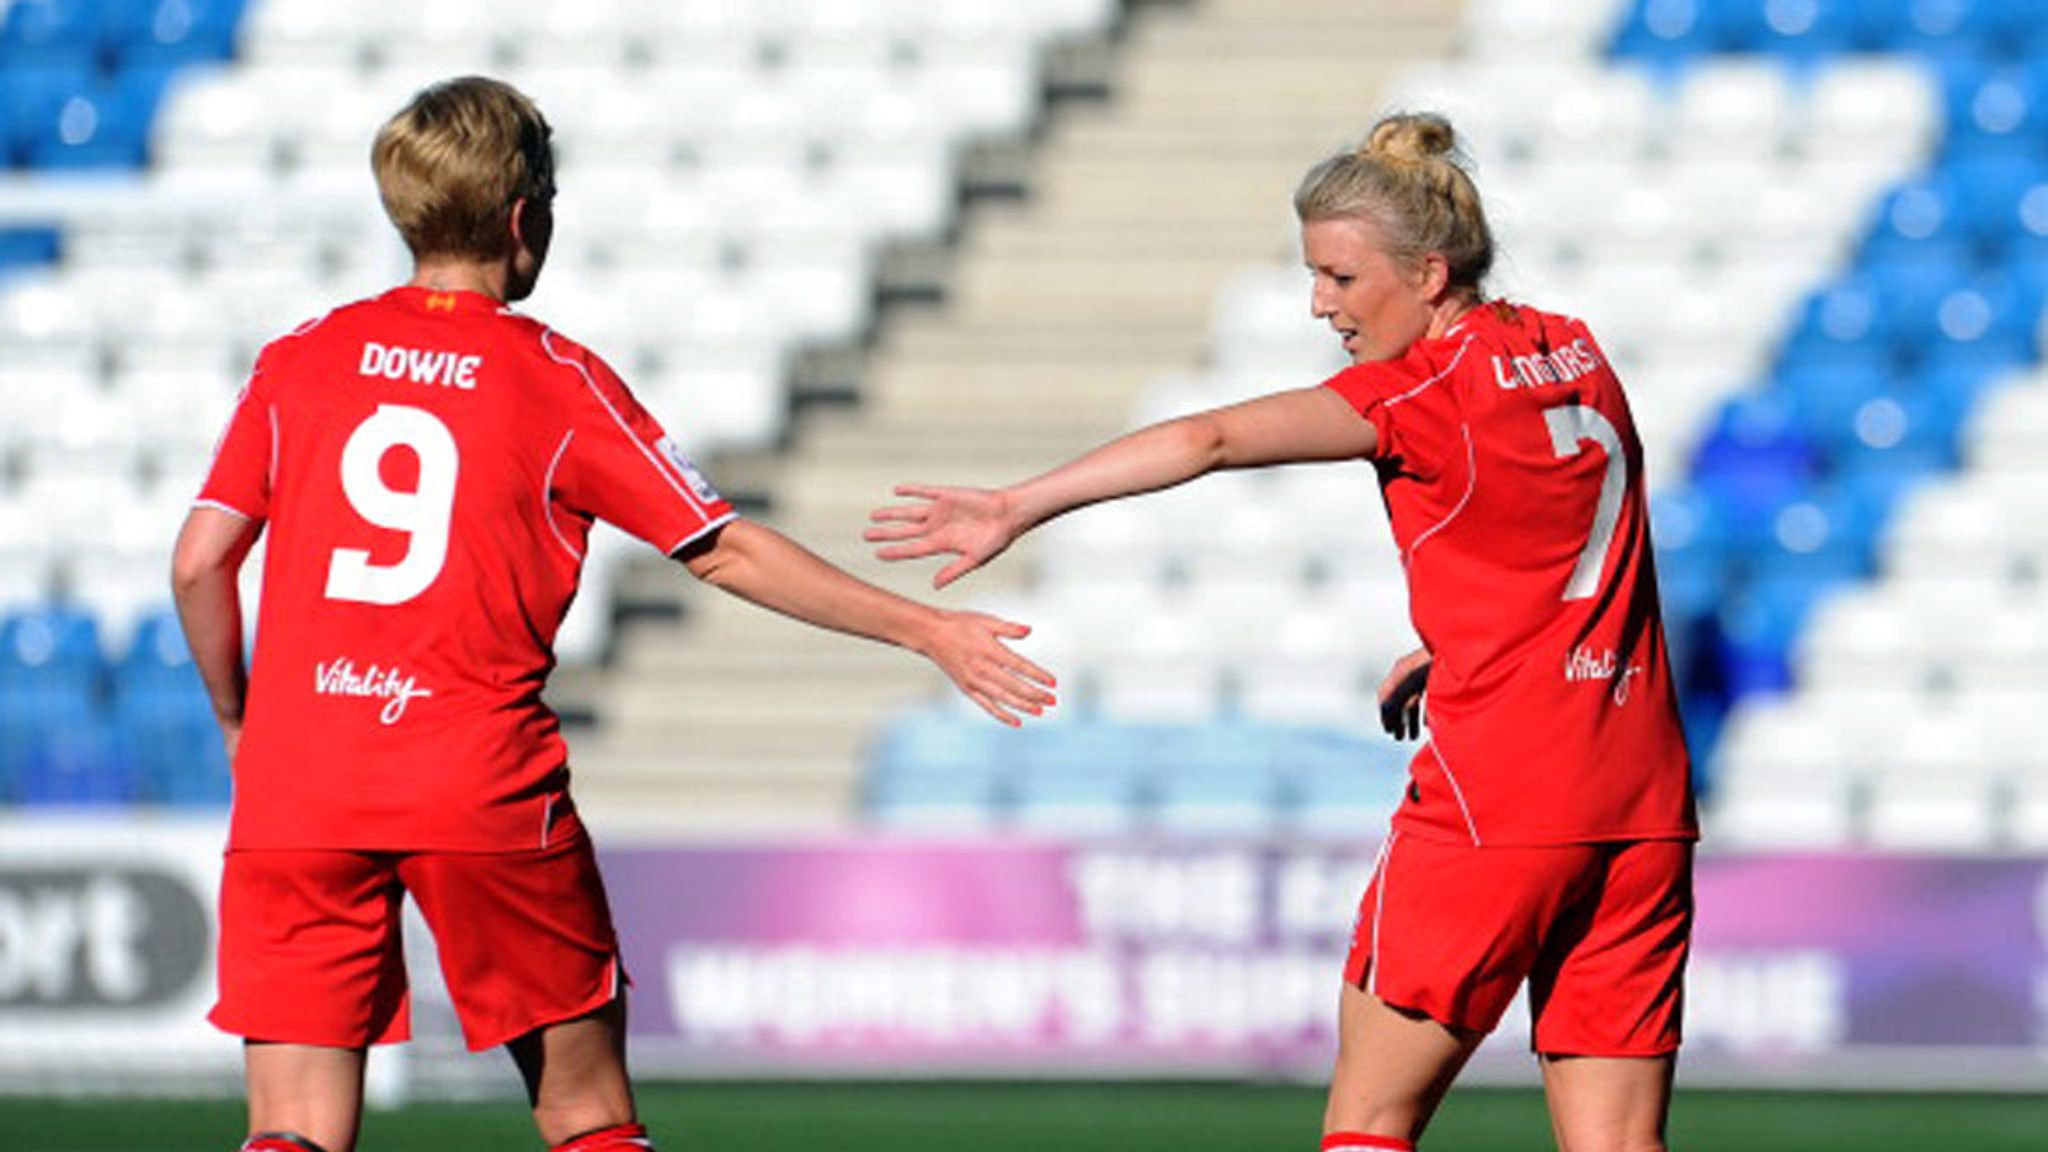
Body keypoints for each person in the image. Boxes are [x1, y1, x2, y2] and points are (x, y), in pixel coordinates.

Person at [170, 76, 1055, 1152]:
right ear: (520, 218)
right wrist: (925, 628)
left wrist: (238, 722)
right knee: (586, 1114)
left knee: (294, 1129)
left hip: (301, 779)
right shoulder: (554, 380)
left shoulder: (300, 360)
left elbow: (199, 564)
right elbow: (720, 546)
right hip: (474, 781)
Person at [866, 112, 1696, 1152]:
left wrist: (1018, 503)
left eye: (1340, 279)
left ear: (1429, 273)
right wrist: (1463, 642)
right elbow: (1560, 526)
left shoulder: (1419, 393)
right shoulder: (1569, 346)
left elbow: (1208, 437)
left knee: (1367, 1127)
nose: (1320, 306)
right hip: (1639, 806)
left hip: (1498, 802)